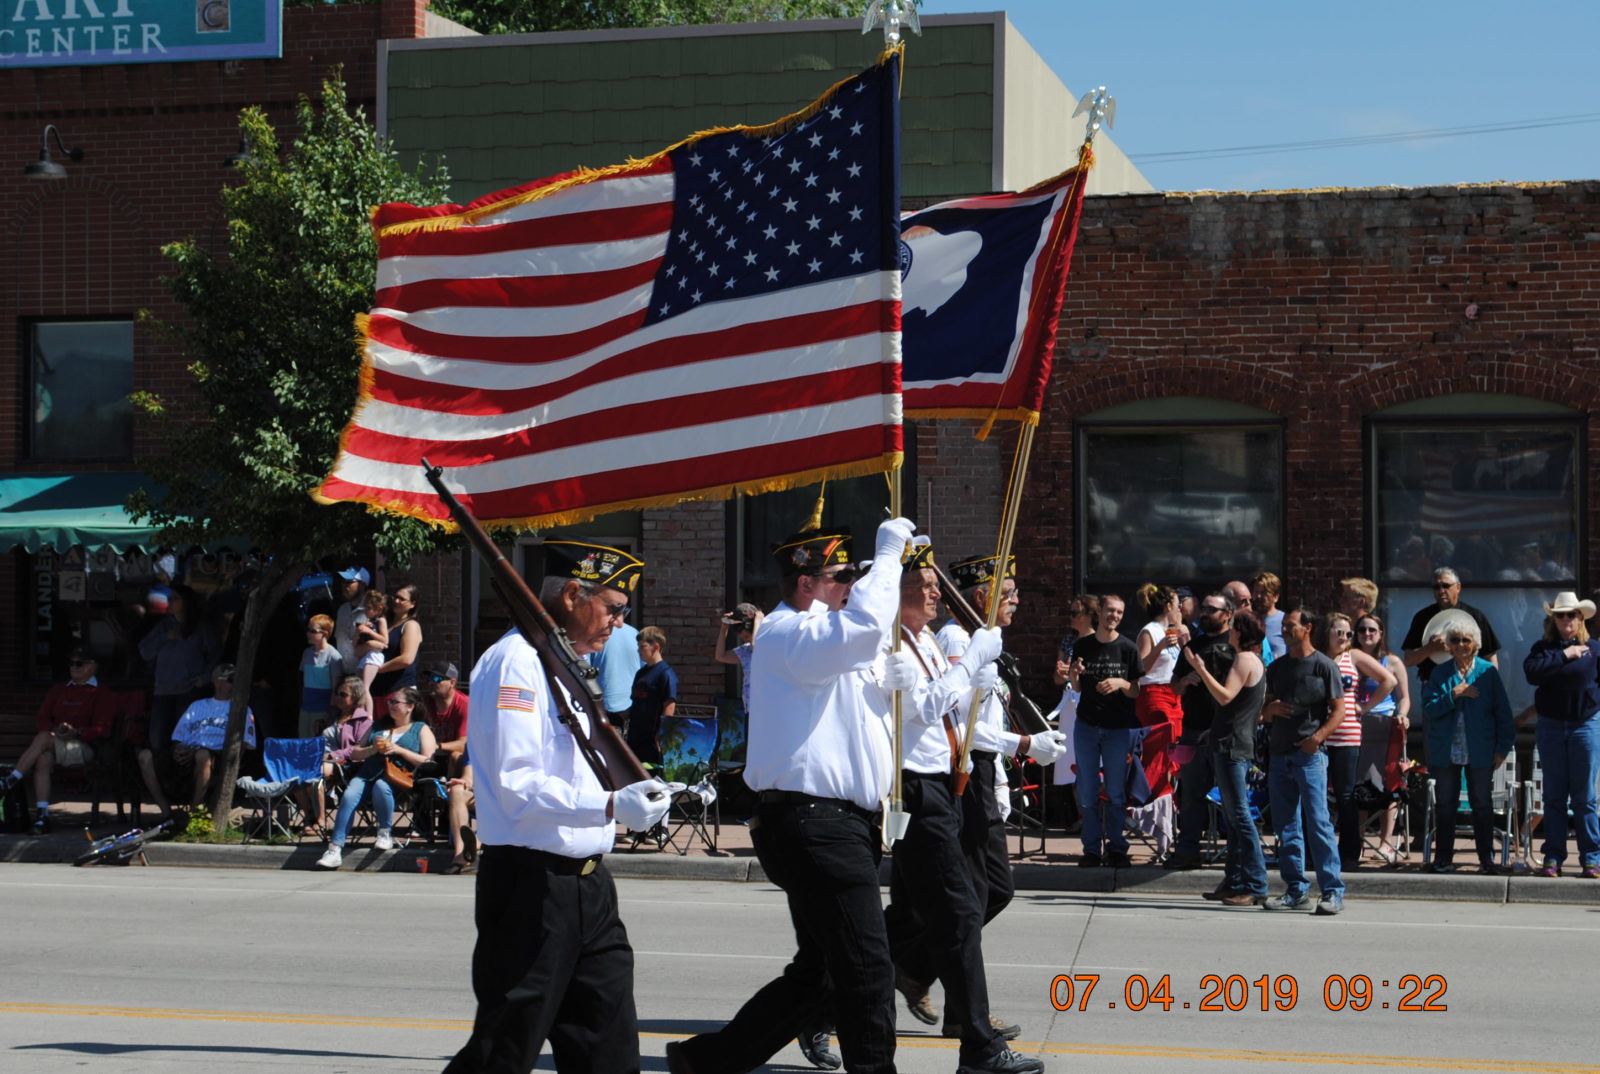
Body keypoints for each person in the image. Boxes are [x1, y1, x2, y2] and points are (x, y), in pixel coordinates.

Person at [669, 519, 921, 1074]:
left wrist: (892, 689)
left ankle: (708, 1061)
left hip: (839, 824)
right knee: (868, 968)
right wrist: (886, 559)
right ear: (805, 584)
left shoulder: (823, 641)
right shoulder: (788, 634)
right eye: (840, 577)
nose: (852, 586)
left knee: (824, 971)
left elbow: (863, 720)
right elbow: (862, 628)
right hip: (815, 825)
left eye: (855, 576)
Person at [444, 539, 669, 1074]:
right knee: (505, 1048)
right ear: (572, 594)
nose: (621, 623)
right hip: (531, 887)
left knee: (607, 1048)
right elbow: (518, 785)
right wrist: (612, 806)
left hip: (588, 883)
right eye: (614, 608)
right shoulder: (516, 662)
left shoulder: (564, 663)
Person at [907, 551, 1064, 1041]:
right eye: (1009, 592)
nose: (1016, 601)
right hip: (964, 773)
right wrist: (1022, 745)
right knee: (977, 895)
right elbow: (962, 724)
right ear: (983, 596)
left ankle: (923, 976)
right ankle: (929, 982)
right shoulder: (958, 639)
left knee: (983, 893)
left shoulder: (981, 640)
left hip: (981, 772)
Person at [1260, 607, 1346, 914]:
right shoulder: (1278, 667)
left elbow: (1339, 711)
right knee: (1286, 826)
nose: (1284, 630)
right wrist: (1268, 713)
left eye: (1290, 625)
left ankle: (1332, 890)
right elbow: (1264, 707)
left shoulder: (1324, 666)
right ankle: (1296, 890)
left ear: (1307, 627)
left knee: (1319, 823)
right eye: (1283, 626)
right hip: (1280, 754)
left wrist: (1318, 738)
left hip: (1309, 756)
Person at [1183, 608, 1268, 905]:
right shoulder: (1252, 660)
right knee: (1233, 819)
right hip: (1229, 741)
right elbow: (1239, 708)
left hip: (1232, 747)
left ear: (1240, 631)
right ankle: (1233, 881)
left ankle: (1255, 884)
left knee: (1240, 817)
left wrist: (1200, 667)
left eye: (1233, 627)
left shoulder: (1244, 659)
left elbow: (1225, 696)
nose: (1229, 631)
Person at [1422, 613, 1514, 875]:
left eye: (1466, 640)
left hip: (1481, 749)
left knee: (1482, 804)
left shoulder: (1487, 673)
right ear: (1448, 644)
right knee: (1446, 804)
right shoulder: (1440, 673)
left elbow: (1503, 715)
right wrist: (1454, 694)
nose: (1461, 644)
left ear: (1475, 643)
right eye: (1455, 640)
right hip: (1446, 749)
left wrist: (1502, 749)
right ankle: (1443, 858)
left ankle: (1486, 860)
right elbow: (1429, 710)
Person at [1523, 592, 1600, 879]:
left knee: (1585, 797)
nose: (1566, 619)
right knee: (1554, 795)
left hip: (1586, 725)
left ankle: (1591, 858)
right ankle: (1553, 856)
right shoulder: (1543, 649)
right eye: (1560, 615)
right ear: (1552, 619)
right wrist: (1564, 655)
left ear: (1581, 618)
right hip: (1552, 726)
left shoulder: (1594, 649)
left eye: (1571, 614)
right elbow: (1532, 673)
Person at [317, 686, 438, 869]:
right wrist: (372, 749)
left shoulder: (420, 728)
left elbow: (427, 760)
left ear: (410, 707)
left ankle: (385, 833)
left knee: (381, 786)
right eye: (390, 701)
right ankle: (335, 848)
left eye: (395, 702)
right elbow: (355, 753)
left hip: (398, 779)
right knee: (349, 795)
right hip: (367, 774)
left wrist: (399, 750)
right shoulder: (378, 726)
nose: (390, 705)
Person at [3, 647, 115, 834]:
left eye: (79, 664)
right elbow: (42, 719)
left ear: (93, 667)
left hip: (83, 746)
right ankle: (42, 816)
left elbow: (103, 728)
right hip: (56, 743)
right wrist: (56, 729)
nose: (74, 667)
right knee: (43, 759)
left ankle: (11, 780)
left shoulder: (101, 693)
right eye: (71, 663)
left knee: (43, 738)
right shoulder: (59, 690)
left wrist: (76, 732)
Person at [1065, 592, 1141, 868]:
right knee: (1086, 790)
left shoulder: (1128, 648)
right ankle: (1091, 850)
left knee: (1116, 791)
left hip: (1118, 728)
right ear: (1100, 612)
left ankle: (1117, 848)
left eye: (1119, 612)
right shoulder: (1083, 645)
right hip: (1086, 724)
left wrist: (1120, 682)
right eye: (1110, 611)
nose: (1115, 616)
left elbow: (1135, 691)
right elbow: (1077, 687)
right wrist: (1074, 676)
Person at [1167, 593, 1237, 870]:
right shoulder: (1193, 646)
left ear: (1227, 614)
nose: (1205, 612)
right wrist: (1185, 680)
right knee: (1192, 794)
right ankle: (1187, 851)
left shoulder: (1236, 645)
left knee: (1232, 798)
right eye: (1204, 608)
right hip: (1194, 730)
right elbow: (1173, 686)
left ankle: (1236, 854)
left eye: (1212, 609)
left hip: (1226, 731)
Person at [1319, 612, 1395, 868]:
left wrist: (1365, 706)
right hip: (1318, 733)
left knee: (1345, 795)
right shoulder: (1318, 657)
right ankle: (1319, 849)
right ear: (1326, 632)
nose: (1344, 637)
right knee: (1317, 795)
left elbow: (1389, 680)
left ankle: (1349, 853)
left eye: (1348, 633)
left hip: (1347, 733)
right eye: (1338, 632)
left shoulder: (1353, 657)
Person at [1133, 583, 1188, 860]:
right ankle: (1152, 815)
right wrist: (1160, 647)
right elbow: (1140, 668)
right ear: (1168, 606)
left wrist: (1182, 633)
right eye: (1178, 604)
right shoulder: (1150, 631)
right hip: (1155, 695)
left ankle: (1166, 823)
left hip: (1174, 695)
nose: (1180, 609)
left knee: (1174, 759)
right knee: (1161, 759)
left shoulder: (1176, 632)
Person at [1353, 614, 1411, 864]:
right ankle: (1356, 841)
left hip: (1385, 726)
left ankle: (1386, 843)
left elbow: (1405, 697)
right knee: (1359, 785)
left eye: (1372, 630)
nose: (1367, 634)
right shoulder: (1350, 659)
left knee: (1389, 782)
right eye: (1363, 629)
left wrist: (1402, 714)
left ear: (1381, 633)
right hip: (1356, 726)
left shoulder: (1393, 661)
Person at [138, 585, 219, 753]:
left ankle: (185, 776)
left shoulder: (200, 627)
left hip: (189, 691)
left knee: (187, 739)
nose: (170, 602)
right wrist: (166, 637)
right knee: (158, 739)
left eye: (175, 598)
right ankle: (162, 775)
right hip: (163, 690)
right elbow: (145, 651)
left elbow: (216, 655)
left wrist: (205, 678)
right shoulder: (163, 626)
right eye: (169, 598)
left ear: (186, 602)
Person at [169, 664, 258, 810]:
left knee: (202, 755)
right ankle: (166, 813)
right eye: (231, 680)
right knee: (145, 757)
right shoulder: (196, 706)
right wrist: (179, 750)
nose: (234, 684)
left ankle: (195, 810)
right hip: (188, 755)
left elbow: (244, 744)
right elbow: (178, 737)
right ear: (217, 681)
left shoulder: (242, 709)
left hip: (218, 757)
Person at [1402, 566, 1501, 670]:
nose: (1441, 591)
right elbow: (1408, 660)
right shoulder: (1423, 617)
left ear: (1458, 587)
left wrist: (1491, 683)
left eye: (1446, 586)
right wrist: (1430, 648)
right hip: (1433, 682)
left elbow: (1490, 656)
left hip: (1469, 681)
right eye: (1436, 587)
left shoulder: (1475, 616)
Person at [628, 626, 678, 771]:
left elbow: (669, 706)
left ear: (655, 647)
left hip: (651, 738)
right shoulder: (641, 673)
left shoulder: (665, 674)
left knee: (651, 773)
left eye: (642, 647)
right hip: (635, 734)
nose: (639, 651)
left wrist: (661, 735)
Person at [368, 582, 422, 716]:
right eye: (395, 597)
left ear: (412, 604)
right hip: (380, 691)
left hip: (400, 693)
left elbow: (407, 659)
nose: (396, 601)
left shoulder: (411, 625)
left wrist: (377, 669)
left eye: (402, 599)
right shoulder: (387, 625)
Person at [297, 613, 346, 738]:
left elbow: (335, 687)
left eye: (312, 631)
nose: (308, 634)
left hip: (322, 708)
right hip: (306, 707)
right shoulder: (306, 653)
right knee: (303, 740)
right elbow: (304, 682)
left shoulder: (334, 656)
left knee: (317, 742)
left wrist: (330, 712)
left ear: (324, 633)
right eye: (308, 630)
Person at [591, 616, 642, 731]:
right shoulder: (634, 633)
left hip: (603, 711)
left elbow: (582, 674)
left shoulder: (594, 637)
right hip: (630, 708)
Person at [714, 602, 764, 717]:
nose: (745, 640)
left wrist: (757, 623)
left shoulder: (767, 646)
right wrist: (724, 629)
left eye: (746, 636)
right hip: (750, 709)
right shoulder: (746, 651)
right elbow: (720, 656)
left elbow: (757, 648)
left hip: (765, 710)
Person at [333, 566, 371, 668]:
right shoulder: (342, 610)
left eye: (349, 582)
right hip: (343, 672)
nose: (345, 586)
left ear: (362, 585)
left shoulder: (372, 610)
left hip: (363, 674)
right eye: (343, 582)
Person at [1250, 572, 1286, 661]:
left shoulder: (1285, 621)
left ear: (1276, 597)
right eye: (1256, 592)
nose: (1258, 596)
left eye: (1263, 593)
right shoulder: (1248, 621)